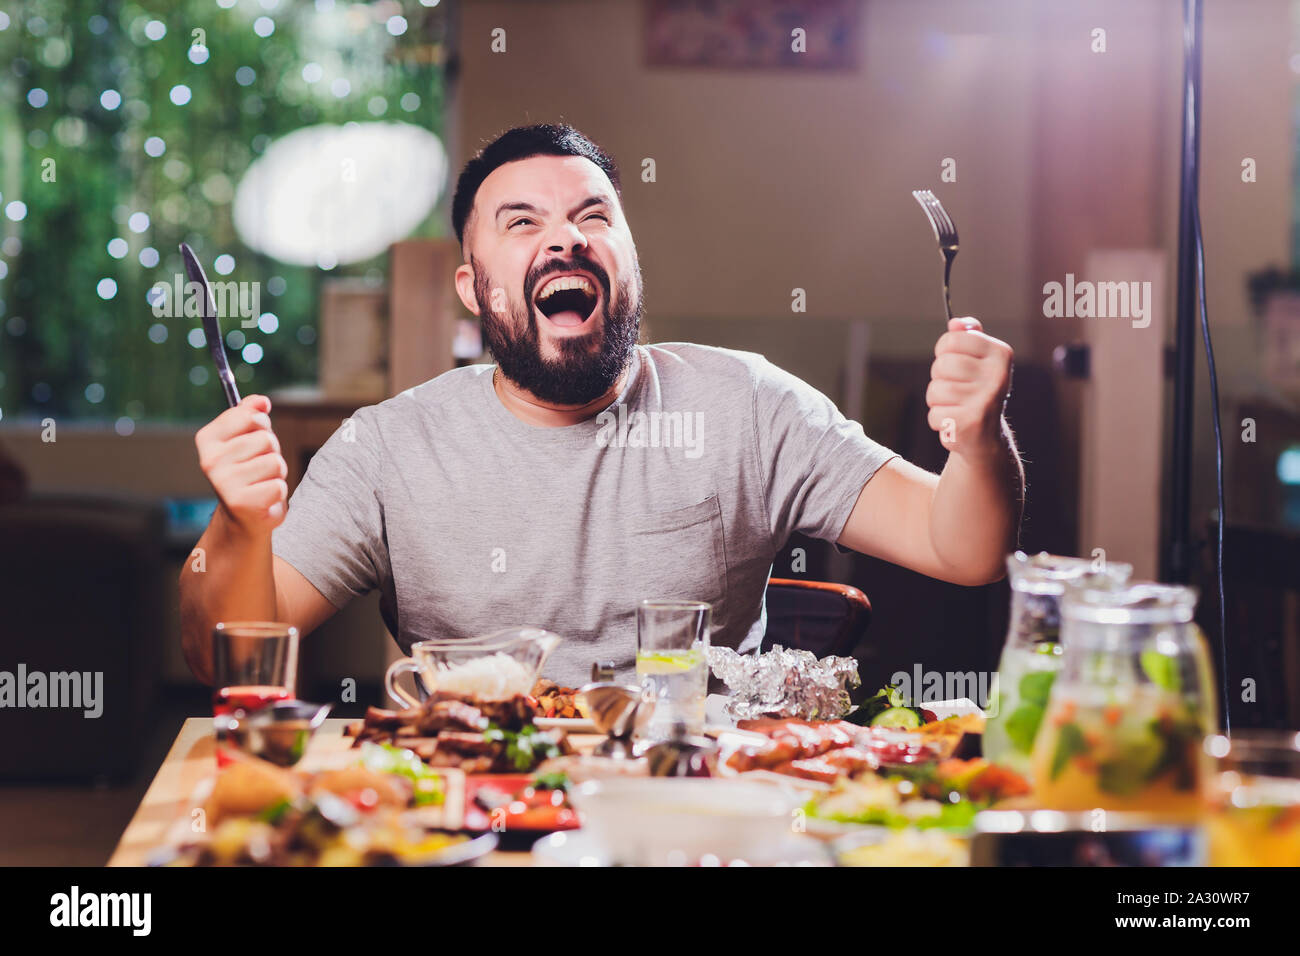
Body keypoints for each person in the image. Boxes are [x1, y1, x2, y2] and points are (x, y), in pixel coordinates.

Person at [180, 124, 1023, 687]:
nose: (565, 236)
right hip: (477, 806)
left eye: (593, 215)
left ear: (627, 258)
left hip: (693, 808)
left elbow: (965, 549)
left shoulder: (746, 404)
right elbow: (231, 662)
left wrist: (980, 442)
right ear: (474, 289)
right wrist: (235, 529)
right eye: (521, 222)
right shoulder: (388, 447)